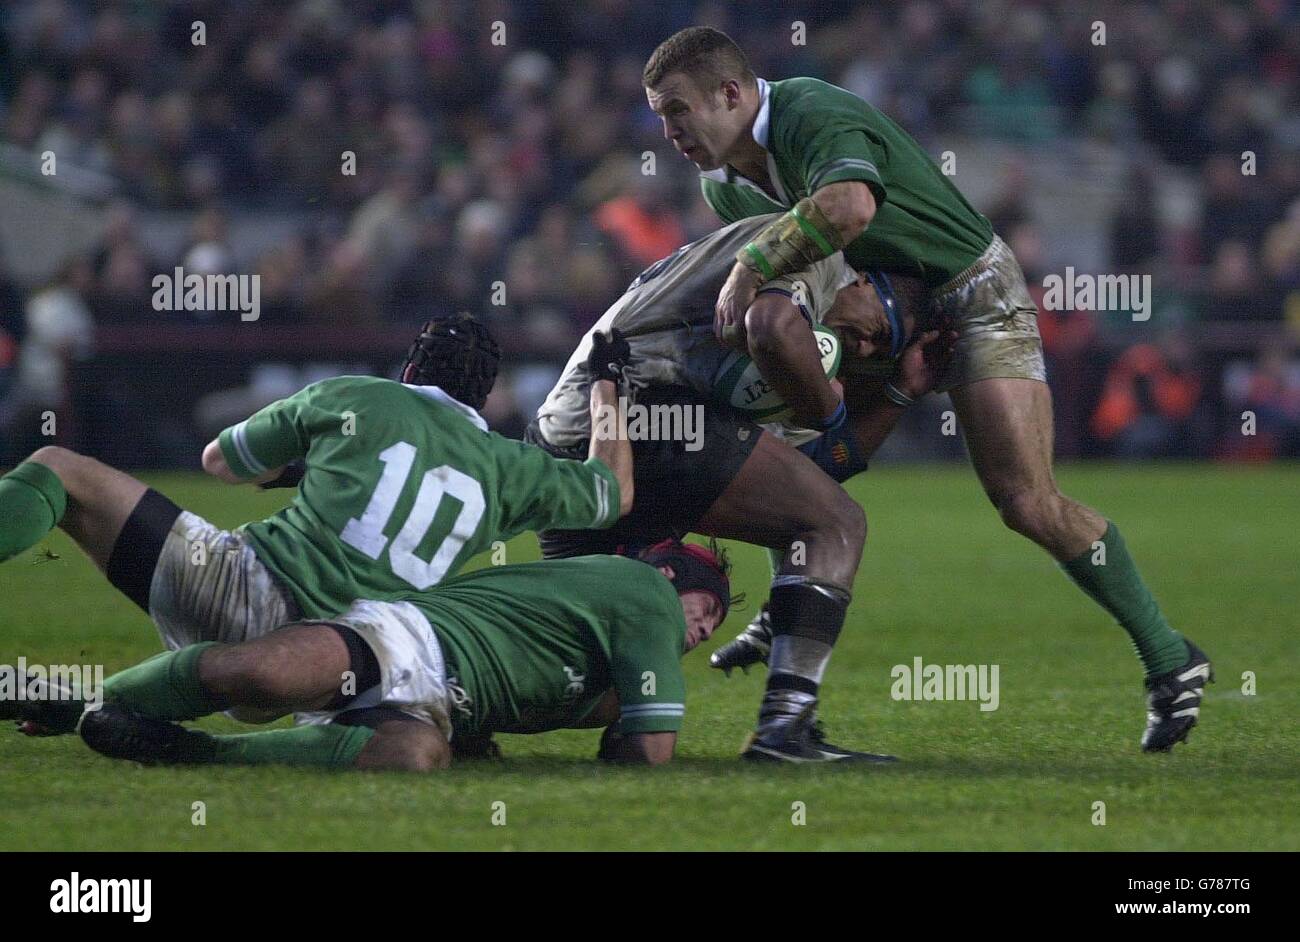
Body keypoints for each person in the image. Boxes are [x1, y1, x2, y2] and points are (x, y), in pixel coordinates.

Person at [641, 26, 1210, 752]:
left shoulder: (810, 111)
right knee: (781, 440)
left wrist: (750, 269)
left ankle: (1170, 659)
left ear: (729, 93)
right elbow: (810, 271)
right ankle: (796, 603)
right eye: (661, 115)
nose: (668, 132)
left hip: (969, 291)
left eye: (677, 110)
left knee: (1027, 502)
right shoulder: (720, 184)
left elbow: (849, 208)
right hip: (869, 302)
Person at [1, 313, 635, 739]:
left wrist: (303, 468)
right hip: (331, 671)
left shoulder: (360, 395)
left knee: (59, 468)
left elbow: (220, 463)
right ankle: (87, 704)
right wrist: (607, 385)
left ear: (410, 370)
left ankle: (89, 697)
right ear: (484, 397)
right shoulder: (510, 469)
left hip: (233, 587)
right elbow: (612, 494)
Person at [529, 212, 953, 762]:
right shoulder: (821, 257)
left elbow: (818, 472)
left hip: (569, 435)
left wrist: (898, 392)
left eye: (883, 352)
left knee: (588, 672)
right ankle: (786, 729)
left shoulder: (812, 354)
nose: (869, 350)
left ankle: (450, 705)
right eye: (880, 332)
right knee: (840, 522)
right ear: (866, 282)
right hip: (640, 408)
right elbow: (771, 325)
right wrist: (830, 408)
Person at [78, 543, 730, 770]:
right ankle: (76, 702)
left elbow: (522, 677)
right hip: (412, 639)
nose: (703, 632)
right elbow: (651, 754)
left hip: (436, 704)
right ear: (670, 580)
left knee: (415, 756)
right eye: (706, 609)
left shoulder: (601, 673)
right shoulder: (647, 594)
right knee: (259, 676)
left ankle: (191, 753)